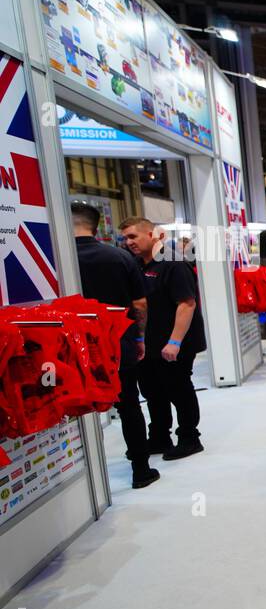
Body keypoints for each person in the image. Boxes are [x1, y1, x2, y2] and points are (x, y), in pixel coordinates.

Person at [72, 203, 159, 488]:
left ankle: (83, 486)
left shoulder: (56, 258)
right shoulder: (120, 258)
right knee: (129, 405)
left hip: (70, 347)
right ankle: (141, 469)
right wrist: (138, 337)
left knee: (73, 406)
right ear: (97, 227)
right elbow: (139, 303)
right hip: (116, 344)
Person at [119, 216, 206, 460]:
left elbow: (187, 304)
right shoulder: (136, 264)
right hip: (148, 342)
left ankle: (189, 437)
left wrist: (175, 342)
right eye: (125, 238)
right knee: (152, 390)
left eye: (133, 236)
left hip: (174, 342)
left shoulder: (173, 263)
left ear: (152, 235)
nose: (129, 242)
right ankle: (159, 437)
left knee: (178, 389)